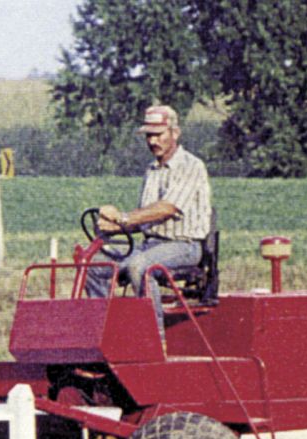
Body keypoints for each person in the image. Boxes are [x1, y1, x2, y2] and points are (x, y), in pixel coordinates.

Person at [85, 105, 212, 342]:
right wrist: (113, 227)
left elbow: (167, 208)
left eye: (158, 134)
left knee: (139, 266)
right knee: (95, 266)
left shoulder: (191, 166)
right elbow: (145, 217)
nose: (153, 141)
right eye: (149, 135)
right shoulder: (151, 170)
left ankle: (155, 340)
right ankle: (99, 337)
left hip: (185, 246)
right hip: (151, 244)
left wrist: (122, 218)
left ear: (175, 133)